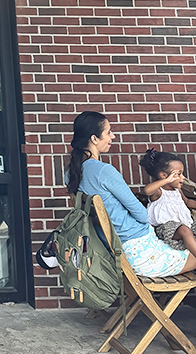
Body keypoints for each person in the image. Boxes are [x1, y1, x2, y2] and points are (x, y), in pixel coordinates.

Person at [66, 110, 196, 277]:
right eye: (109, 132)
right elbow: (142, 215)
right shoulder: (104, 171)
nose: (112, 136)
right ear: (94, 139)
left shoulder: (71, 174)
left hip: (117, 248)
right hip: (142, 252)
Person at [139, 148, 196, 256]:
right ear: (164, 175)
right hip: (166, 229)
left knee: (186, 229)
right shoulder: (159, 192)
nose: (183, 178)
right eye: (178, 174)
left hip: (185, 224)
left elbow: (187, 202)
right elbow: (147, 190)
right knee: (185, 230)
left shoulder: (177, 191)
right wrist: (167, 181)